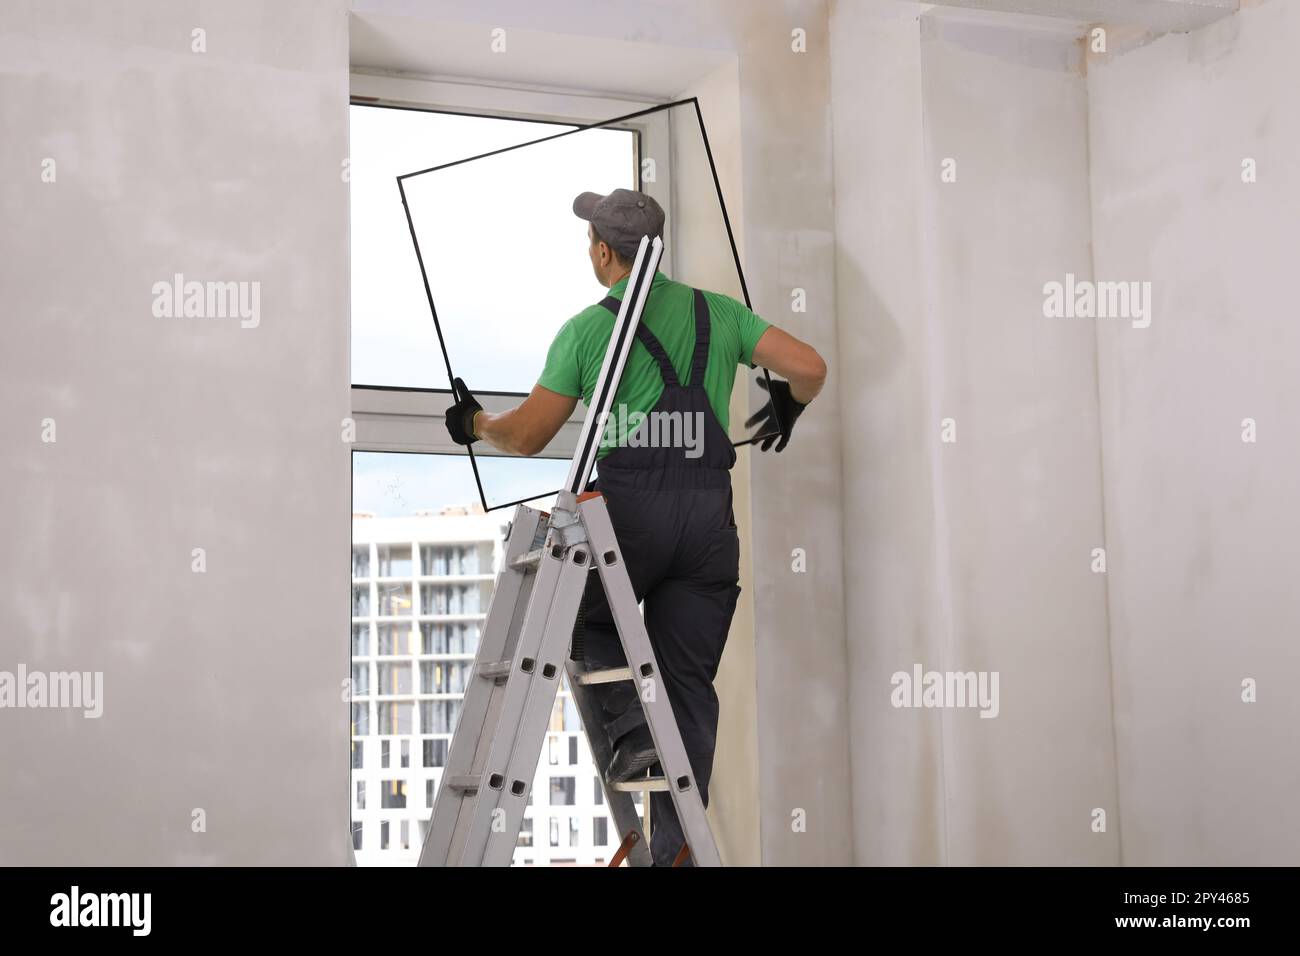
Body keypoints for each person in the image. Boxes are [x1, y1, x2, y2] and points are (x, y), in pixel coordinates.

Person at [444, 188, 826, 865]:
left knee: (578, 620)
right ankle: (679, 851)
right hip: (708, 523)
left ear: (602, 252)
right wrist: (788, 403)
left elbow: (529, 436)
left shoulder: (589, 330)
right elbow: (810, 368)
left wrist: (476, 425)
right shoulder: (719, 313)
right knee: (686, 687)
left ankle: (629, 729)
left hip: (628, 521)